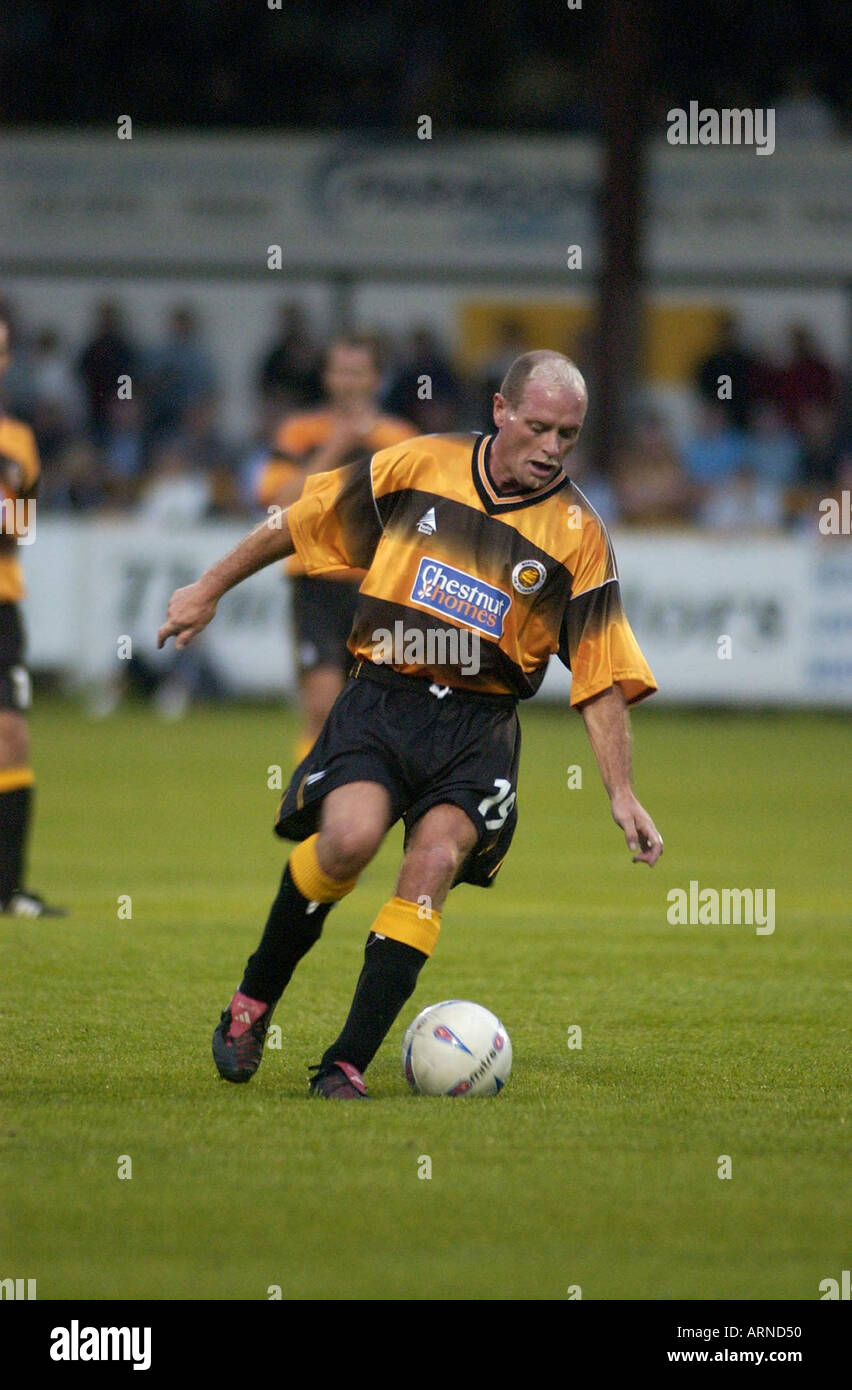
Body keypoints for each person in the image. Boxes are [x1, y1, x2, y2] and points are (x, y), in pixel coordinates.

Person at [158, 350, 663, 1100]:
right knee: (347, 843)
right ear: (501, 411)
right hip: (383, 697)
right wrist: (207, 587)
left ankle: (345, 1063)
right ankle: (252, 1000)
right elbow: (299, 521)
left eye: (569, 434)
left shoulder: (580, 534)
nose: (553, 448)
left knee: (429, 871)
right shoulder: (421, 464)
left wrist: (621, 791)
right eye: (539, 427)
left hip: (480, 728)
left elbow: (599, 676)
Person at [256, 333, 416, 761]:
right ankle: (312, 823)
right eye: (340, 371)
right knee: (321, 706)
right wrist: (334, 448)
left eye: (357, 373)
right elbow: (277, 502)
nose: (347, 382)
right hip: (316, 583)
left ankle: (359, 813)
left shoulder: (400, 438)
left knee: (379, 714)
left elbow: (419, 514)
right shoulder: (301, 431)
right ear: (326, 377)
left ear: (376, 379)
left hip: (379, 588)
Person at [0, 309, 65, 917]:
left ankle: (9, 890)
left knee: (12, 737)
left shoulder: (17, 441)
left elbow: (20, 527)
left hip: (2, 604)